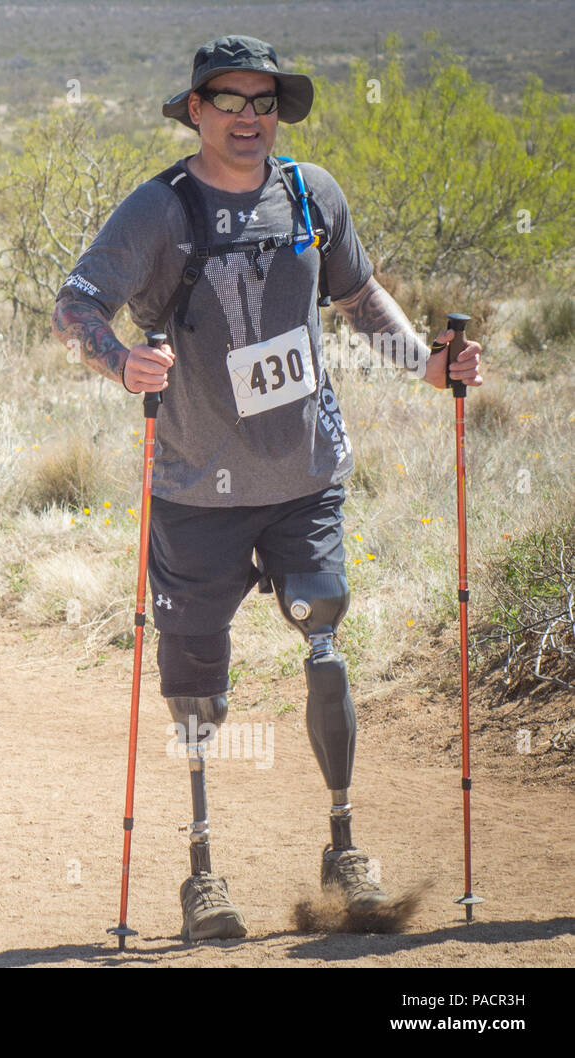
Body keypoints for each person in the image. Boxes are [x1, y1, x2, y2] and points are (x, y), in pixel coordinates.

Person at [52, 35, 484, 941]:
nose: (250, 117)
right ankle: (203, 871)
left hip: (304, 472)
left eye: (265, 102)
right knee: (197, 675)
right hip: (193, 487)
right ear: (196, 111)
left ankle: (345, 849)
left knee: (323, 622)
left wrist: (428, 366)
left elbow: (360, 297)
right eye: (230, 101)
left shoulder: (310, 194)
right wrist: (121, 361)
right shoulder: (158, 210)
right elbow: (75, 304)